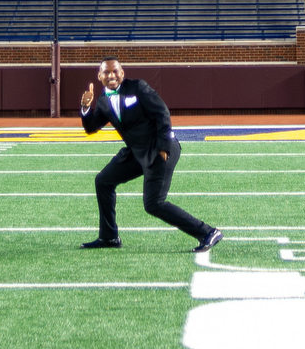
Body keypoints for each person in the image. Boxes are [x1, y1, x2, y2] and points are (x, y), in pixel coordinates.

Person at [77, 58, 221, 252]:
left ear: (122, 72)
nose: (111, 75)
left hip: (159, 148)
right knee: (103, 181)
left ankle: (207, 232)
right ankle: (109, 237)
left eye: (115, 71)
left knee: (154, 203)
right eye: (106, 72)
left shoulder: (138, 87)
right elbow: (91, 128)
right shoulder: (103, 100)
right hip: (137, 151)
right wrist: (86, 109)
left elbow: (162, 113)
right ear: (99, 76)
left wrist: (163, 148)